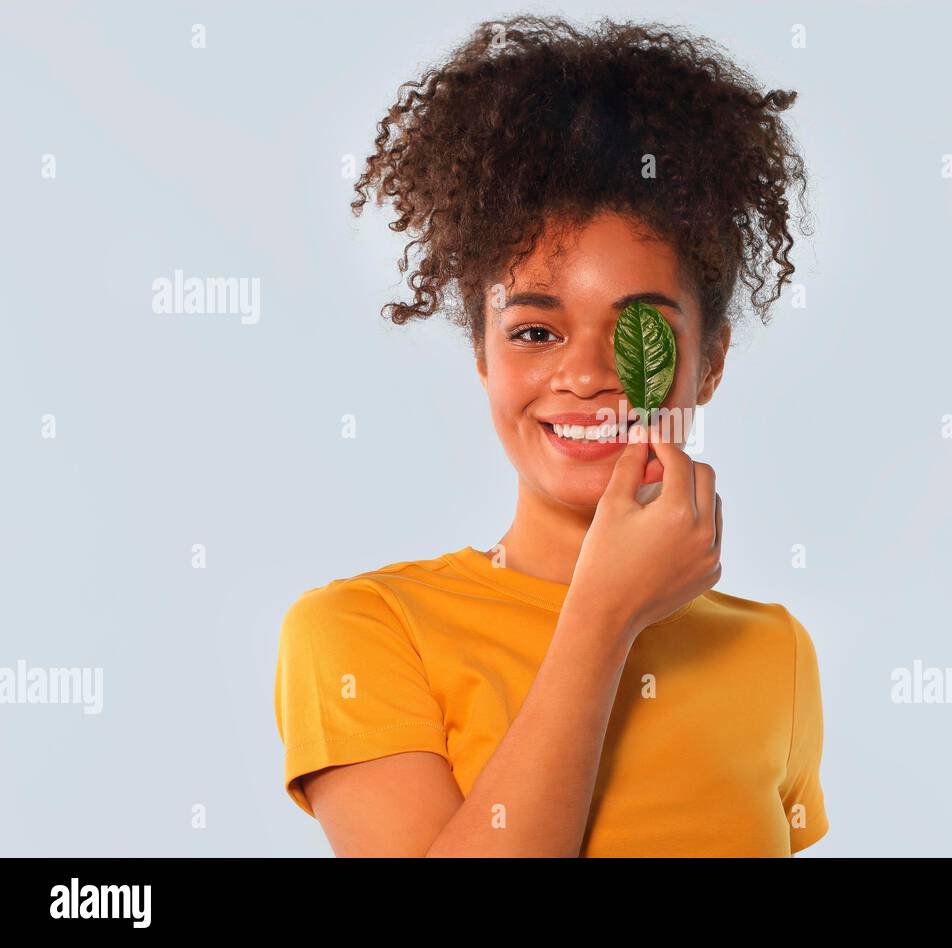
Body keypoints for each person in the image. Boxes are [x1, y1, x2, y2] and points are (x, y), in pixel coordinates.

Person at [273, 13, 828, 857]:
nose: (585, 375)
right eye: (536, 332)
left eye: (640, 330)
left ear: (710, 361)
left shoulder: (773, 652)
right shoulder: (364, 631)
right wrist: (604, 616)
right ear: (483, 357)